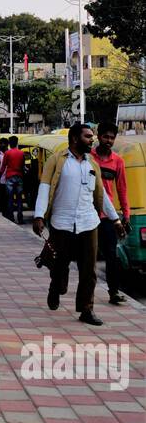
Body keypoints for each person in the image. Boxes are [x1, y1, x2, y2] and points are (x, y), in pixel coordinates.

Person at [33, 122, 125, 325]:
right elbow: (45, 188)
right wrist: (39, 216)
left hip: (88, 222)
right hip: (62, 222)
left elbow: (102, 195)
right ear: (75, 139)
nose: (92, 139)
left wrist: (115, 219)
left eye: (92, 136)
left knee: (89, 270)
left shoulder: (92, 164)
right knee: (59, 265)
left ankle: (86, 309)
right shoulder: (57, 160)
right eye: (87, 136)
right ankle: (56, 288)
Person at [92, 120, 131, 305]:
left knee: (111, 256)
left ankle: (113, 292)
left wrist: (126, 215)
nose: (108, 140)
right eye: (105, 137)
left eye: (111, 138)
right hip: (87, 214)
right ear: (98, 136)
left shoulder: (118, 161)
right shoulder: (88, 157)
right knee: (85, 255)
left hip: (108, 217)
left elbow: (122, 189)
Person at [0, 135, 26, 224]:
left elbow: (3, 167)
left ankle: (11, 217)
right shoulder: (21, 153)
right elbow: (23, 167)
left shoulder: (7, 153)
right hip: (19, 177)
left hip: (10, 177)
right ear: (17, 143)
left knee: (10, 198)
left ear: (9, 144)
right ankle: (20, 218)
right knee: (19, 199)